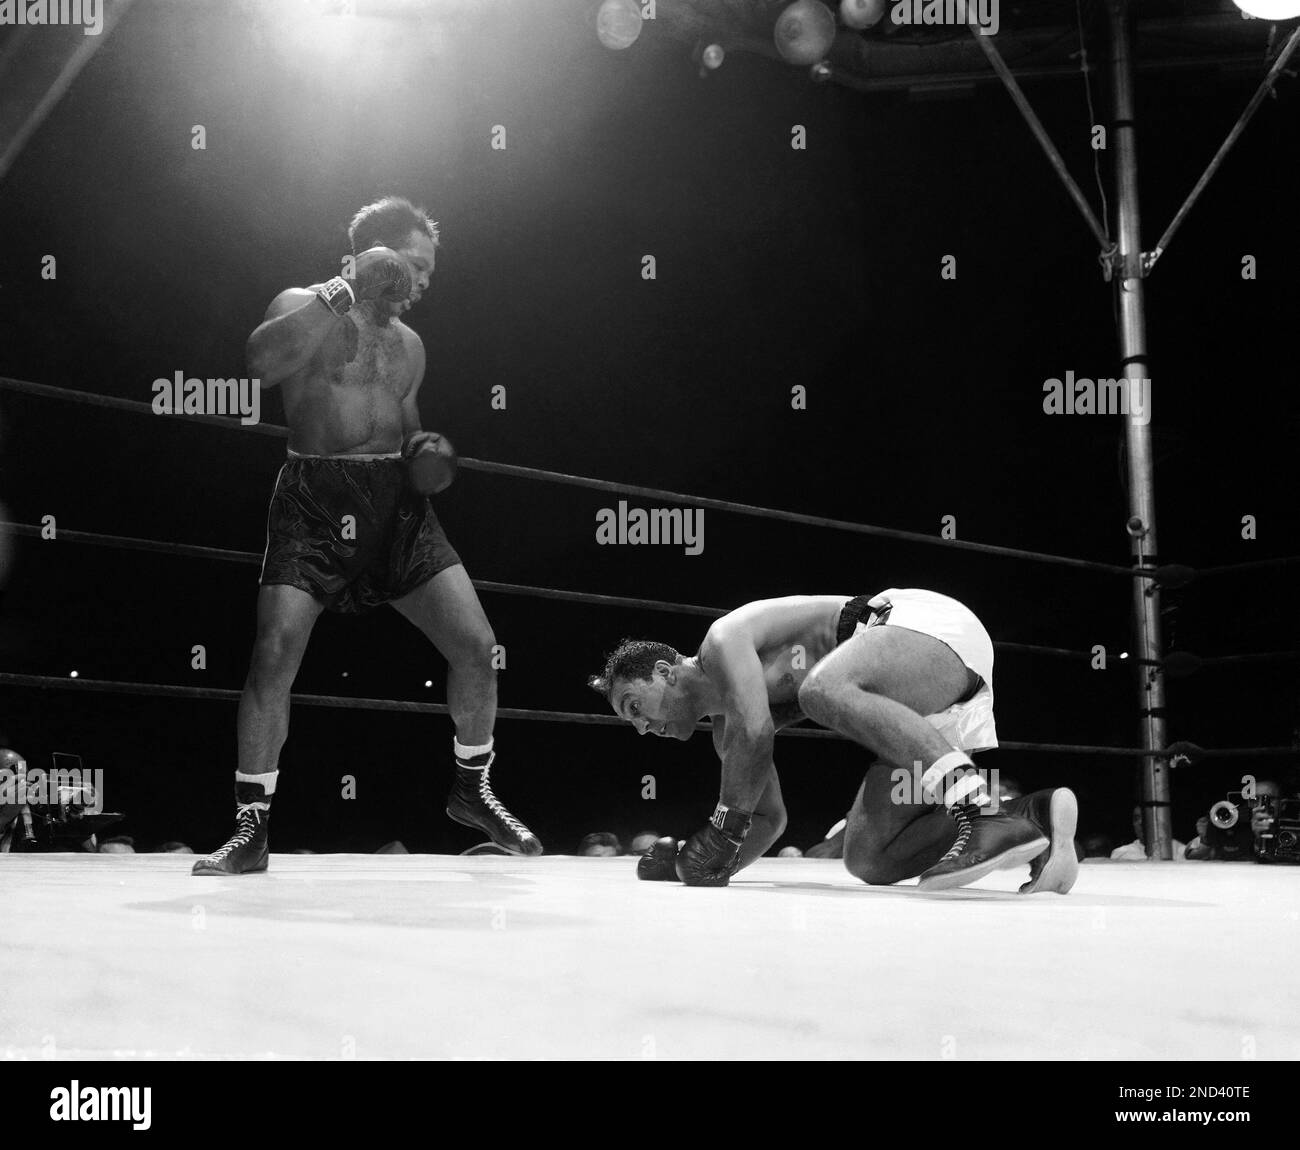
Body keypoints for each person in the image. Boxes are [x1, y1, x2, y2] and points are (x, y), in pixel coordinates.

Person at [193, 196, 540, 876]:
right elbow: (259, 365)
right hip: (314, 500)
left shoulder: (410, 344)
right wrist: (343, 288)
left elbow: (404, 421)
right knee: (273, 655)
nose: (423, 283)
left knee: (477, 645)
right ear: (374, 255)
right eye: (413, 266)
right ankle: (251, 826)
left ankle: (472, 787)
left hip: (396, 507)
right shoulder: (306, 302)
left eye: (430, 272)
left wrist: (427, 451)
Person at [590, 589, 1078, 893]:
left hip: (922, 632)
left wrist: (721, 830)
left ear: (663, 672)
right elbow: (766, 818)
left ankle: (981, 812)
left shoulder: (724, 640)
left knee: (819, 691)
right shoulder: (728, 730)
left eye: (635, 706)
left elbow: (757, 737)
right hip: (920, 711)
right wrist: (693, 863)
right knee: (870, 856)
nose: (640, 727)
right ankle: (1026, 819)